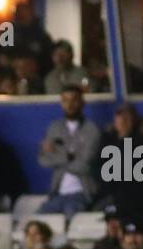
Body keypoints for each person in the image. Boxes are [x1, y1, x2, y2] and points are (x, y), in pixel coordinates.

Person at [37, 86, 101, 216]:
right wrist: (71, 156)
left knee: (70, 217)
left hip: (83, 193)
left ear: (82, 103)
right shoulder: (55, 127)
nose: (70, 105)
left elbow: (84, 166)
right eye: (65, 100)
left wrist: (57, 155)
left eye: (74, 100)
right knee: (38, 221)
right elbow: (43, 160)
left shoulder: (92, 129)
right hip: (57, 193)